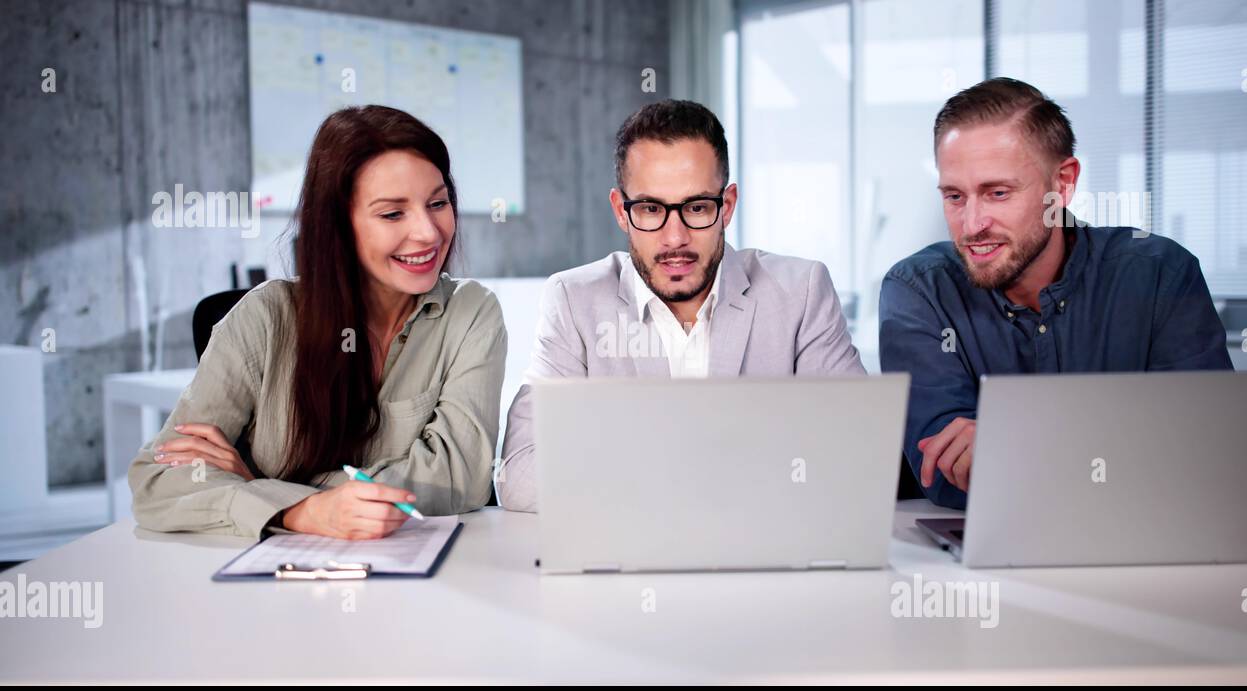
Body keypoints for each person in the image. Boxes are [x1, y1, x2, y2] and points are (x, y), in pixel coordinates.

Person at [129, 105, 507, 539]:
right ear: (338, 226)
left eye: (438, 203)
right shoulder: (263, 318)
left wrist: (268, 493)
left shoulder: (471, 313)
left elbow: (460, 479)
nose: (428, 232)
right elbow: (159, 482)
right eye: (392, 214)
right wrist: (305, 511)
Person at [496, 99, 865, 513]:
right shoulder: (574, 301)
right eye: (651, 209)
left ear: (726, 206)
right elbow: (520, 478)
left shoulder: (801, 292)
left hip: (760, 554)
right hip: (629, 560)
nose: (675, 238)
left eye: (696, 208)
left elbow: (853, 456)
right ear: (622, 210)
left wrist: (616, 459)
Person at [879, 78, 1231, 510]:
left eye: (998, 193)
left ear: (1062, 184)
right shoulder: (919, 289)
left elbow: (1207, 449)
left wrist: (1007, 441)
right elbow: (944, 470)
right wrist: (1119, 447)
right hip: (984, 556)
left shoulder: (1160, 274)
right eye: (955, 196)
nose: (971, 225)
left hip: (1147, 540)